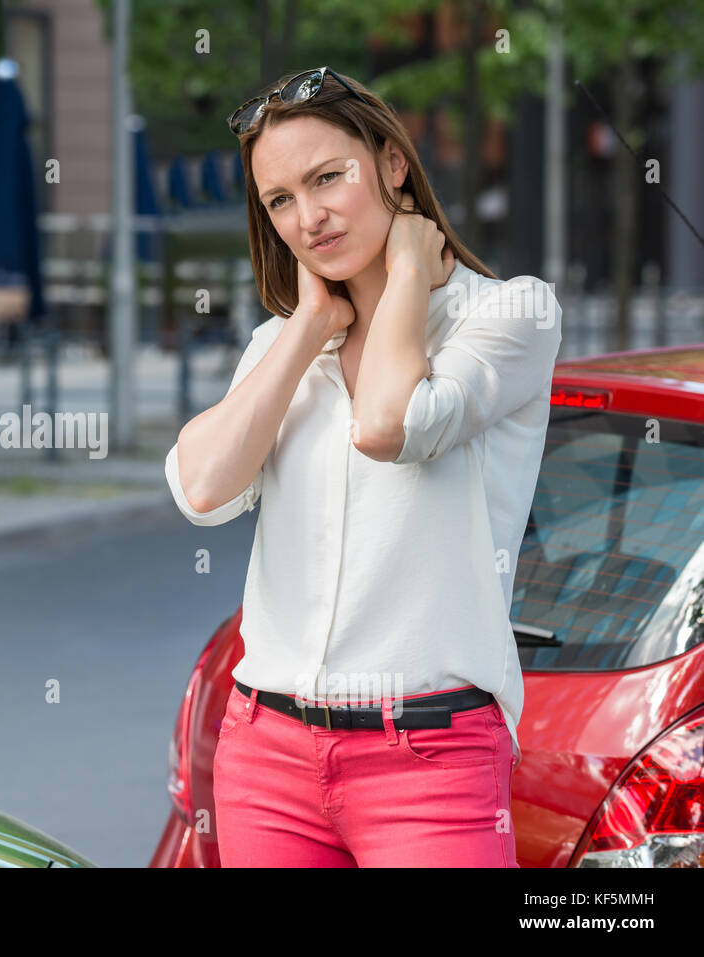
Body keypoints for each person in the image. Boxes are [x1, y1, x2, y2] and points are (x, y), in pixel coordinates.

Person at [165, 68, 561, 867]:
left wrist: (410, 272)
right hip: (265, 752)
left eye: (327, 178)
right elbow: (203, 489)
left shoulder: (510, 314)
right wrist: (310, 323)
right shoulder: (285, 343)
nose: (308, 218)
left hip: (430, 759)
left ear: (390, 163)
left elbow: (390, 425)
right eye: (280, 200)